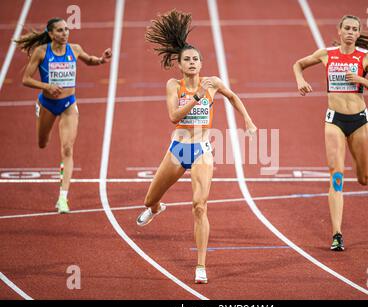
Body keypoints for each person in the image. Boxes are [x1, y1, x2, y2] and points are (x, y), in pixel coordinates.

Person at [136, 10, 257, 284]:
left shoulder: (212, 83)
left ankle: (201, 265)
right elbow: (173, 117)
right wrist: (196, 98)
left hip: (202, 150)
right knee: (149, 199)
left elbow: (233, 96)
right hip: (177, 150)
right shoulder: (174, 85)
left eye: (195, 59)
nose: (191, 62)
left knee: (199, 206)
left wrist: (248, 120)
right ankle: (156, 209)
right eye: (187, 59)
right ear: (179, 64)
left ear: (201, 63)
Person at [293, 15, 368, 251]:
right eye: (347, 28)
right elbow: (298, 64)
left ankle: (358, 162)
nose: (350, 32)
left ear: (358, 33)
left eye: (355, 29)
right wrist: (300, 80)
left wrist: (360, 81)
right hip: (334, 121)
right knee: (336, 175)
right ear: (339, 30)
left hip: (359, 121)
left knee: (364, 178)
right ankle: (337, 234)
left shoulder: (365, 58)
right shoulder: (327, 53)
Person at [16, 18, 112, 214]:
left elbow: (89, 60)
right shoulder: (42, 52)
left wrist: (101, 60)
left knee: (67, 149)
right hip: (48, 104)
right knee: (42, 143)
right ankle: (38, 109)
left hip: (69, 105)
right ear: (51, 34)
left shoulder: (74, 49)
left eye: (67, 29)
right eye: (60, 30)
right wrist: (46, 86)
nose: (65, 33)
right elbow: (25, 79)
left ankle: (62, 198)